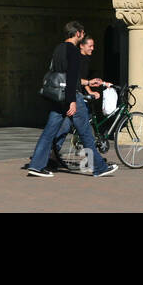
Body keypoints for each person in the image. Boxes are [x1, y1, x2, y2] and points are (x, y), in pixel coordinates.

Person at [26, 21, 117, 178]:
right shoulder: (74, 52)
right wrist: (72, 101)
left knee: (48, 132)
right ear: (78, 33)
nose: (82, 35)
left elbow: (57, 73)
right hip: (71, 96)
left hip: (58, 96)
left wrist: (86, 83)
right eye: (82, 33)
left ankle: (36, 165)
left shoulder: (58, 48)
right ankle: (99, 168)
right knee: (86, 134)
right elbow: (72, 78)